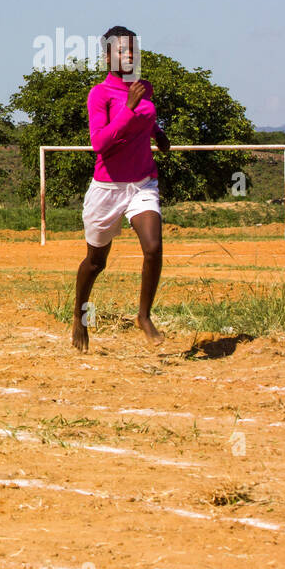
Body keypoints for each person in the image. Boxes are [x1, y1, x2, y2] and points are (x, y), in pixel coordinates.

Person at [73, 26, 170, 352]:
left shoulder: (145, 88)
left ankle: (143, 316)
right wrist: (128, 108)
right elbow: (99, 143)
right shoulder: (99, 94)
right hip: (107, 188)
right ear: (107, 57)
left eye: (133, 49)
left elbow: (146, 117)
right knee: (95, 262)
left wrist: (158, 134)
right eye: (122, 50)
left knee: (153, 248)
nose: (129, 55)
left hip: (142, 182)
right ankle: (80, 315)